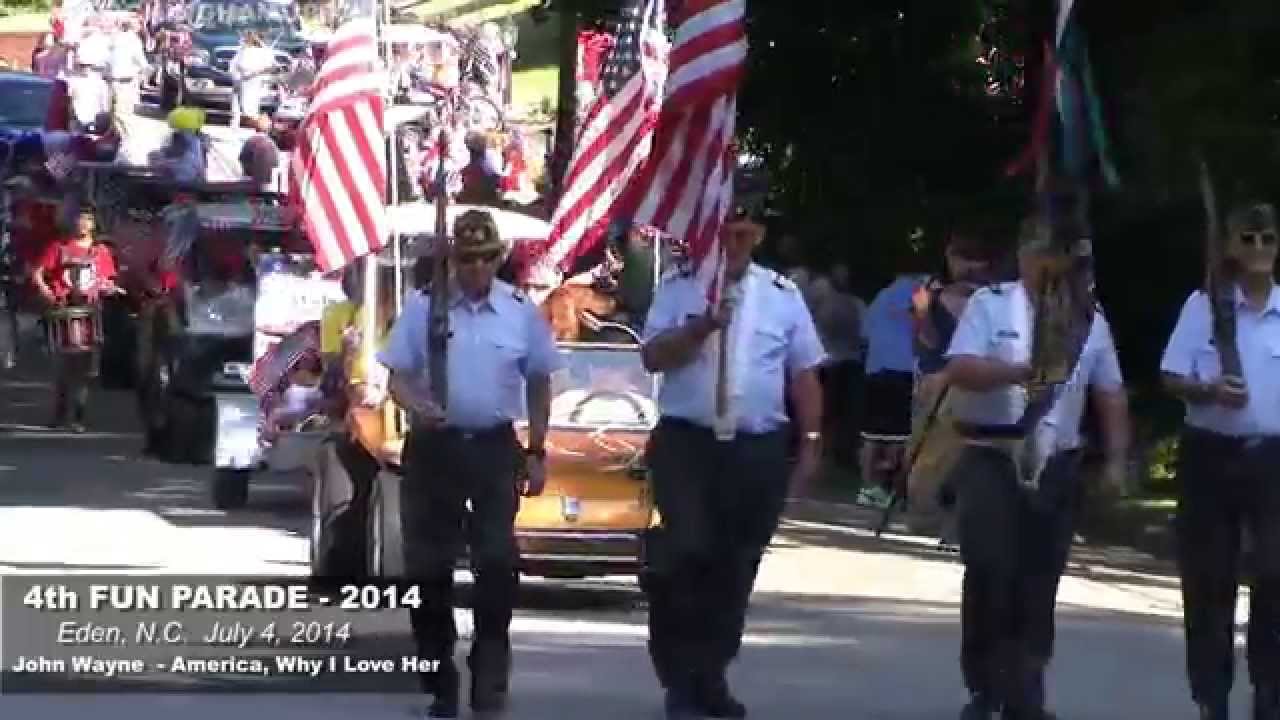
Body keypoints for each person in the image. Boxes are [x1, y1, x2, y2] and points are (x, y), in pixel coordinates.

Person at [639, 199, 825, 719]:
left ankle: (710, 673)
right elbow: (652, 356)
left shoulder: (783, 297)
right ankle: (679, 677)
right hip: (687, 444)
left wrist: (810, 442)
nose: (734, 244)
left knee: (736, 565)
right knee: (685, 553)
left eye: (745, 234)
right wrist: (700, 327)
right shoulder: (680, 287)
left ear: (759, 235)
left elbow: (804, 373)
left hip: (755, 448)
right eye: (727, 233)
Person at [945, 213, 1129, 720]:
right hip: (992, 456)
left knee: (1038, 579)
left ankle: (1026, 690)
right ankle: (984, 686)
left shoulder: (1088, 319)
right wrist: (1014, 372)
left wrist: (1115, 460)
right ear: (1025, 255)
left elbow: (1109, 392)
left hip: (1056, 464)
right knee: (989, 569)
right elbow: (958, 369)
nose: (1051, 265)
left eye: (1059, 255)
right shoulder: (990, 304)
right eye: (1043, 253)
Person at [377, 209, 560, 718]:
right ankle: (438, 676)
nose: (476, 269)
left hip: (494, 449)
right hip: (435, 449)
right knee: (428, 570)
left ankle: (490, 671)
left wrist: (538, 449)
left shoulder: (521, 311)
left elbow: (541, 379)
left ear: (498, 258)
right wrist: (417, 403)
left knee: (499, 564)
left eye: (485, 259)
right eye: (466, 259)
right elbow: (395, 376)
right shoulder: (424, 307)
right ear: (452, 259)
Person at [1160, 202, 1280, 720]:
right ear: (1231, 246)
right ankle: (1211, 696)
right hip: (1210, 454)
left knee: (1276, 578)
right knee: (1209, 581)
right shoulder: (1204, 306)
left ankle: (1271, 692)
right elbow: (1170, 376)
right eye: (1248, 238)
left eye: (1268, 238)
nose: (1258, 248)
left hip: (1273, 460)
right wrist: (1208, 390)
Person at [906, 230, 995, 539]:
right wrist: (921, 312)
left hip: (973, 381)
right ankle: (927, 513)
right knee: (929, 452)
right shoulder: (934, 293)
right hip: (936, 379)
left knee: (962, 453)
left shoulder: (993, 300)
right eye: (958, 257)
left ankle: (956, 519)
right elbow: (925, 340)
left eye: (971, 258)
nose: (964, 265)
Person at [30, 209, 122, 432]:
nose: (82, 224)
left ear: (93, 224)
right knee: (62, 367)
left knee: (84, 369)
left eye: (87, 220)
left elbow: (107, 280)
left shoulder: (100, 252)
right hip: (63, 311)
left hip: (89, 312)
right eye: (79, 219)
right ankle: (59, 412)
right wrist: (49, 295)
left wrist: (111, 289)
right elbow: (38, 273)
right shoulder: (60, 247)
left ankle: (78, 415)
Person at [859, 263, 929, 506]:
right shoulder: (922, 293)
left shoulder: (881, 296)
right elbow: (925, 332)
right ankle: (891, 488)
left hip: (875, 369)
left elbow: (865, 333)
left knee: (871, 433)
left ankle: (868, 487)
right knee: (899, 435)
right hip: (905, 370)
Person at [104, 20, 148, 149]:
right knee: (123, 113)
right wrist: (145, 72)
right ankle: (126, 140)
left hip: (114, 79)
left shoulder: (114, 39)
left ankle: (118, 138)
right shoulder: (133, 40)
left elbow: (107, 60)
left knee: (114, 111)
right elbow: (141, 61)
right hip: (125, 80)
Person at [228, 31, 277, 131]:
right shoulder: (253, 50)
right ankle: (241, 123)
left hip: (249, 81)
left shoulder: (250, 51)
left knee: (246, 107)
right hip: (249, 81)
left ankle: (260, 124)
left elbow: (237, 66)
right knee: (246, 106)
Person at [238, 115, 281, 190]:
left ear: (255, 128)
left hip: (249, 183)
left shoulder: (250, 141)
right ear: (268, 129)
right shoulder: (272, 144)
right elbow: (276, 163)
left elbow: (242, 158)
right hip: (266, 185)